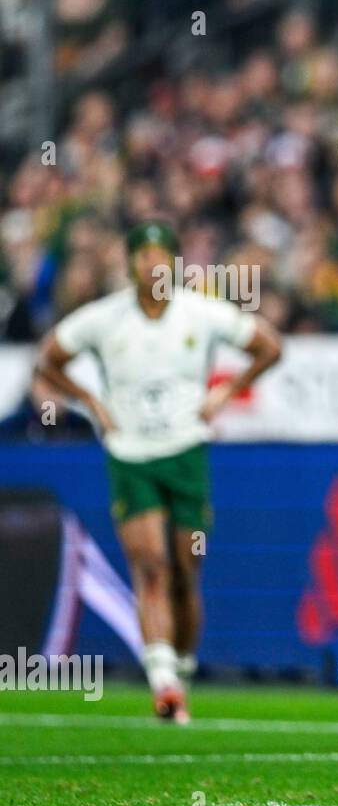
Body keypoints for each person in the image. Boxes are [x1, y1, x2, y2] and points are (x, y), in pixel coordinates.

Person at [35, 221, 283, 723]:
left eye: (160, 255)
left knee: (187, 568)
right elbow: (50, 359)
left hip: (185, 450)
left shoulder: (201, 312)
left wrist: (226, 391)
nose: (152, 265)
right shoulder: (104, 318)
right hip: (130, 453)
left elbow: (269, 347)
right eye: (143, 255)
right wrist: (91, 403)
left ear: (174, 262)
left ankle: (181, 668)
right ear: (130, 264)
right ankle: (164, 682)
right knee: (151, 564)